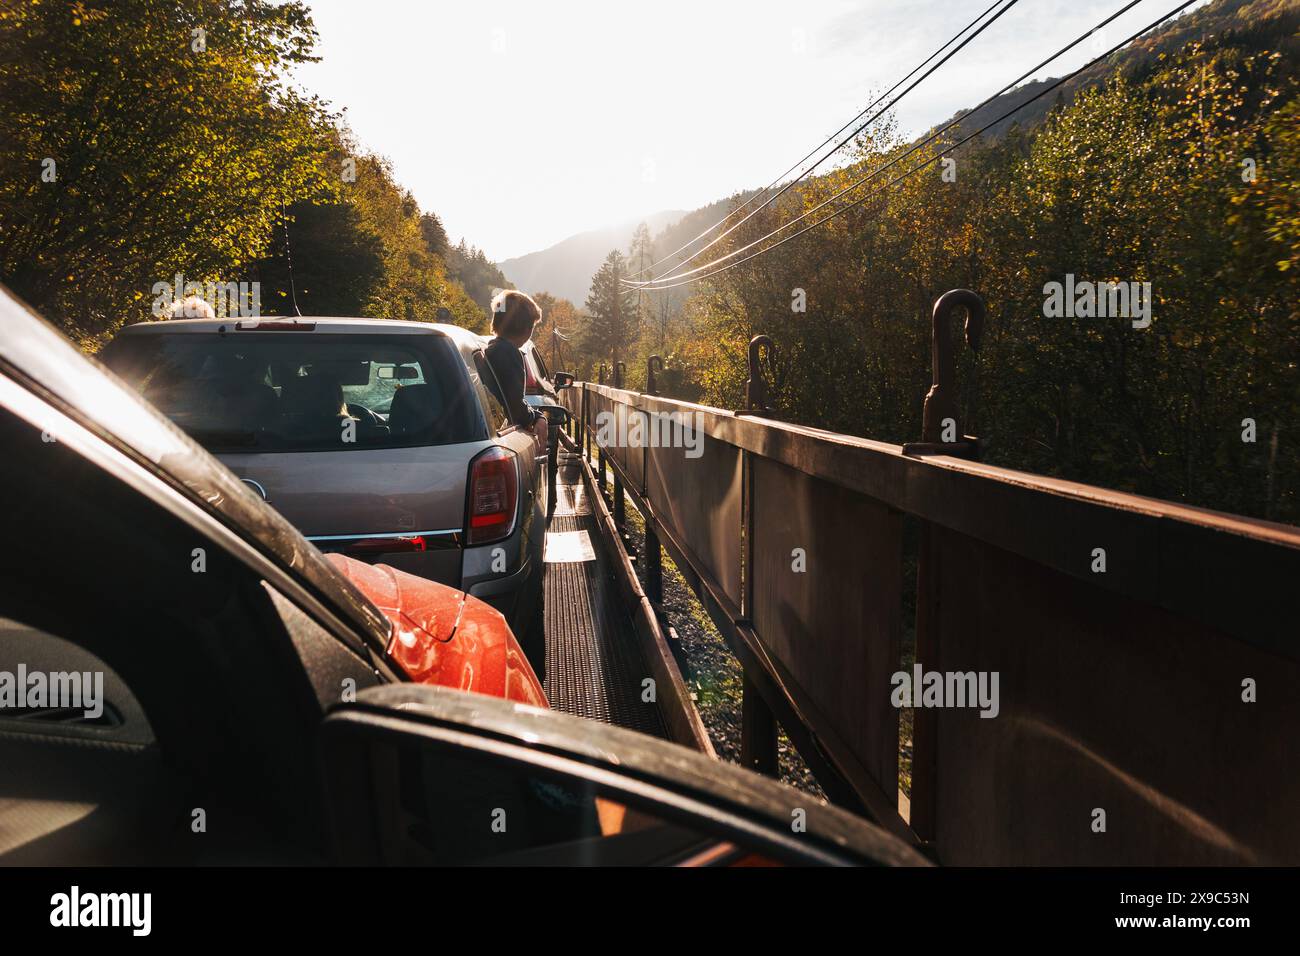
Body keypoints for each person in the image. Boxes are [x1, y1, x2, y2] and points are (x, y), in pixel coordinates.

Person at [484, 290, 547, 452]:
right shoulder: (508, 352)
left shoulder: (491, 349)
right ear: (526, 328)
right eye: (532, 326)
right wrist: (537, 418)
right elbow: (515, 407)